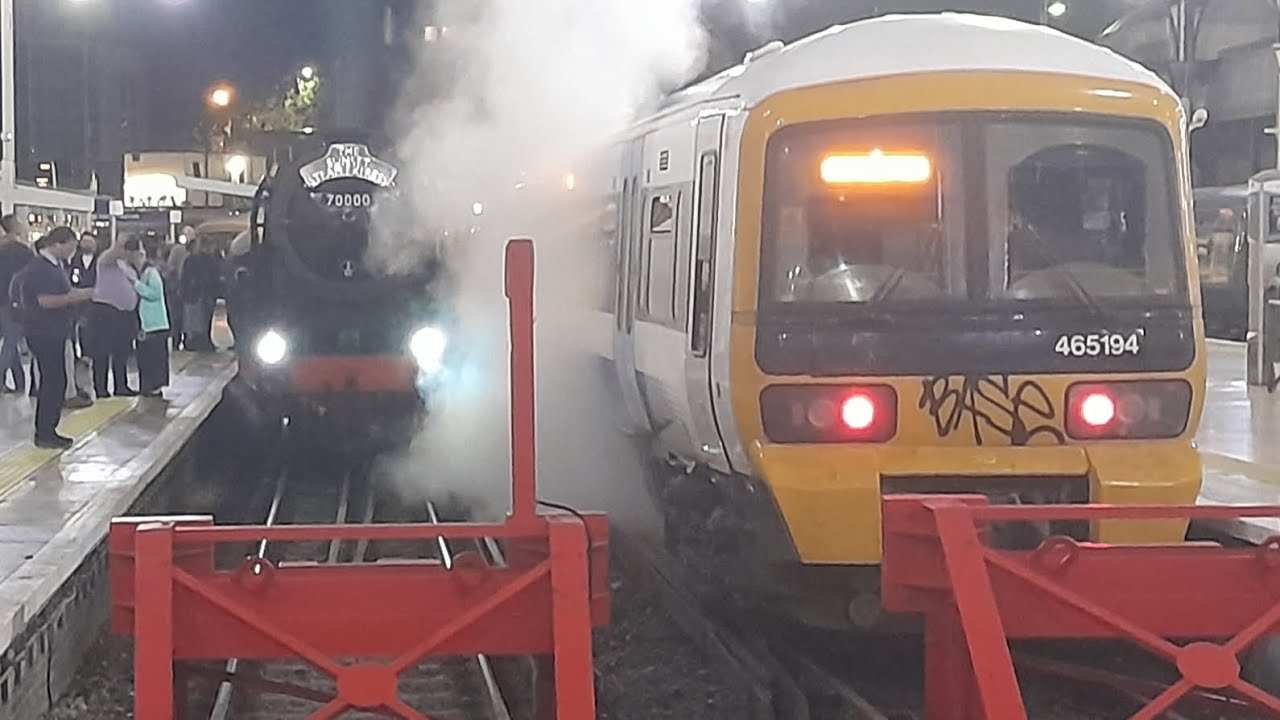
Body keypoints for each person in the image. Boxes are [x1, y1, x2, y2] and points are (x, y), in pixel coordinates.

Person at [20, 228, 94, 449]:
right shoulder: (41, 268)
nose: (74, 251)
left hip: (52, 331)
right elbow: (46, 300)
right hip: (43, 331)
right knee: (53, 381)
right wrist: (80, 295)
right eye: (72, 246)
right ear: (59, 244)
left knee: (56, 380)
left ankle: (48, 429)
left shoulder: (54, 266)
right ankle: (45, 432)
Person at [89, 235, 141, 397]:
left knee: (122, 351)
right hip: (106, 311)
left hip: (124, 314)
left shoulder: (126, 266)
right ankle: (101, 388)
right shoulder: (105, 261)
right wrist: (118, 245)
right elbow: (112, 254)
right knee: (102, 352)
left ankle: (121, 385)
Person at [0, 215, 33, 393]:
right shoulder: (21, 251)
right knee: (11, 341)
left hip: (2, 300)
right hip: (12, 301)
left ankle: (18, 381)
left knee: (9, 341)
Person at [133, 249, 169, 397]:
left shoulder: (151, 274)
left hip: (155, 323)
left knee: (155, 357)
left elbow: (154, 294)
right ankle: (147, 385)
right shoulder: (143, 274)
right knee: (145, 357)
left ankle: (155, 385)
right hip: (146, 324)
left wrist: (136, 285)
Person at [180, 237, 220, 352]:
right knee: (199, 319)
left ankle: (196, 340)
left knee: (196, 320)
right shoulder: (206, 260)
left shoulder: (192, 259)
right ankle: (200, 340)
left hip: (198, 293)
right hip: (201, 294)